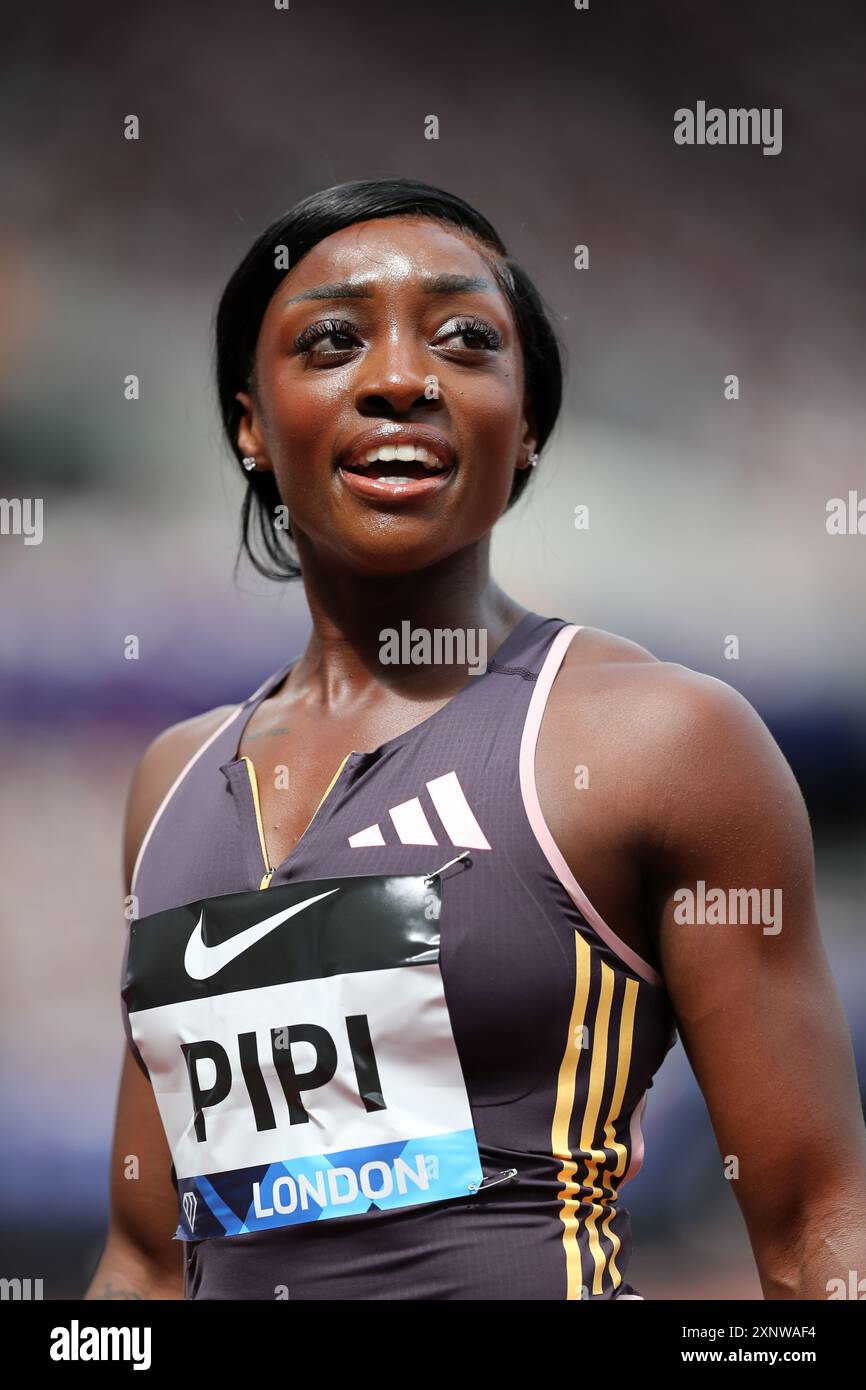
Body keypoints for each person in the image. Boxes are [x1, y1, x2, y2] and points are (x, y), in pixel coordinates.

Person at [87, 178, 866, 1301]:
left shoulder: (659, 741)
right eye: (332, 340)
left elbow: (815, 1231)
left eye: (462, 339)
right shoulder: (175, 784)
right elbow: (147, 1267)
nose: (401, 379)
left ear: (528, 421)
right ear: (250, 424)